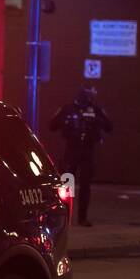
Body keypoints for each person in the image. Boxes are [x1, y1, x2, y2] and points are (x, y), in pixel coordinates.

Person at [49, 84, 113, 226]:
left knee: (85, 185)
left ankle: (82, 217)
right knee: (67, 184)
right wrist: (67, 120)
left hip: (88, 151)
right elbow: (52, 125)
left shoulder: (96, 110)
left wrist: (95, 120)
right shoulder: (68, 109)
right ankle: (65, 216)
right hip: (72, 149)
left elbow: (109, 126)